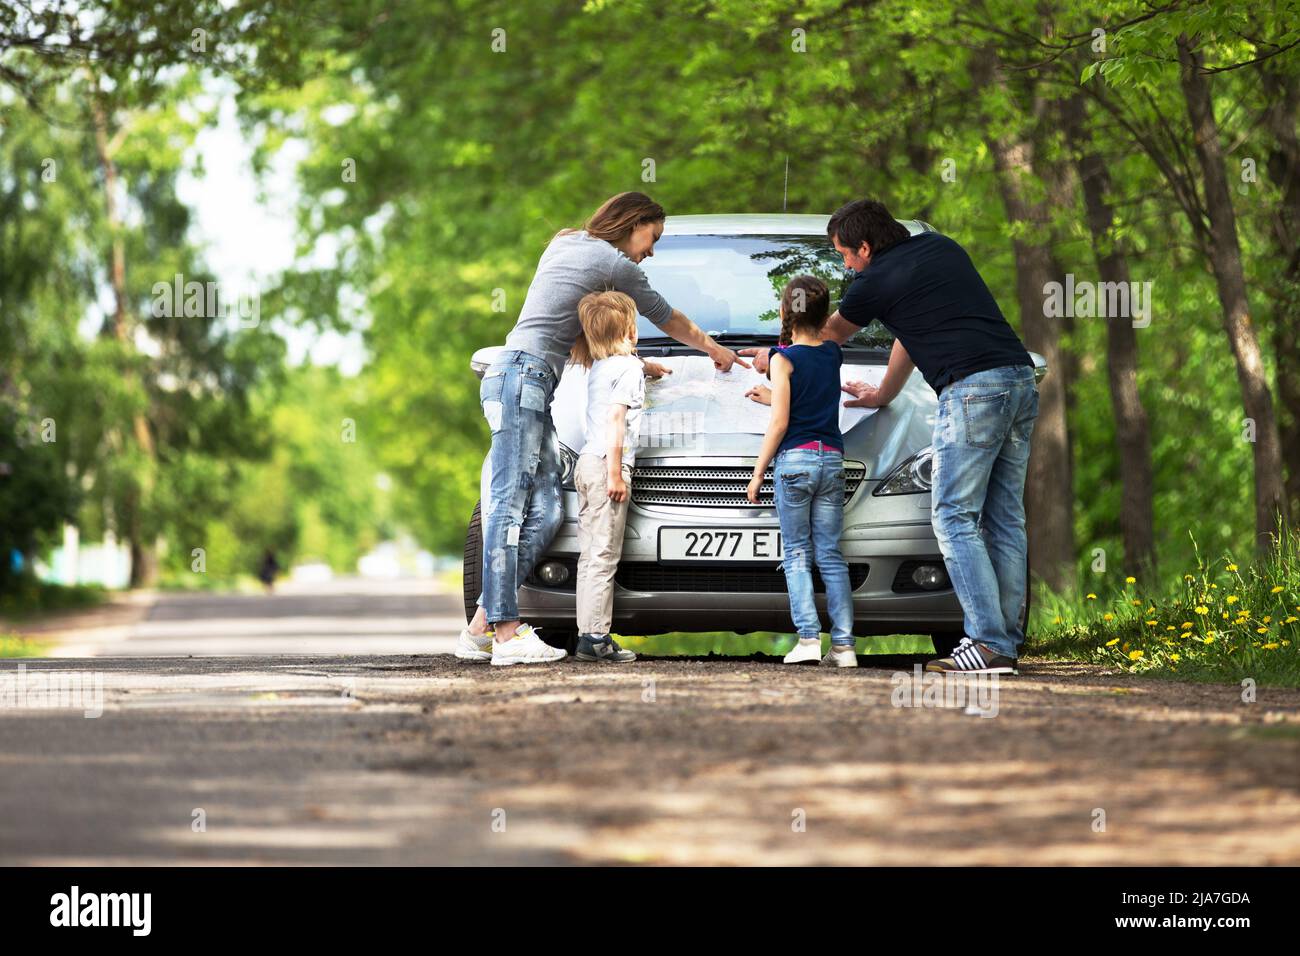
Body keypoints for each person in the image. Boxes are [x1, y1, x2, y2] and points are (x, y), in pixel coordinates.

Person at [742, 199, 1037, 674]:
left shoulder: (872, 281)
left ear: (865, 246)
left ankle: (984, 643)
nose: (845, 264)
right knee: (1004, 519)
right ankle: (1003, 643)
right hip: (1018, 380)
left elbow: (825, 335)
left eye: (845, 254)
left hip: (971, 391)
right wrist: (882, 393)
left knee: (954, 515)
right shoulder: (940, 247)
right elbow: (910, 332)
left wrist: (773, 356)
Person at [457, 191, 751, 666]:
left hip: (527, 382)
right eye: (651, 238)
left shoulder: (566, 243)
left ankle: (478, 628)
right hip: (522, 380)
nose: (650, 250)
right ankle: (507, 636)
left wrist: (637, 363)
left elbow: (587, 336)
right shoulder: (614, 265)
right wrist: (715, 351)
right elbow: (667, 316)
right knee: (508, 509)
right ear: (632, 224)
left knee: (550, 509)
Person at [744, 275, 858, 668]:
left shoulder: (783, 359)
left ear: (783, 312)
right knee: (830, 555)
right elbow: (810, 399)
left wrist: (758, 474)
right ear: (825, 314)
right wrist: (774, 393)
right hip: (832, 461)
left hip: (795, 463)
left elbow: (781, 423)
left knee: (796, 554)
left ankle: (808, 639)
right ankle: (843, 647)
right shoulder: (832, 354)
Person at [570, 290, 643, 663]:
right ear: (631, 330)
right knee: (604, 555)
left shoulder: (601, 367)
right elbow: (617, 420)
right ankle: (596, 638)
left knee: (589, 554)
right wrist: (616, 473)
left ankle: (588, 632)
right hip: (606, 465)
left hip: (587, 463)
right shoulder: (629, 369)